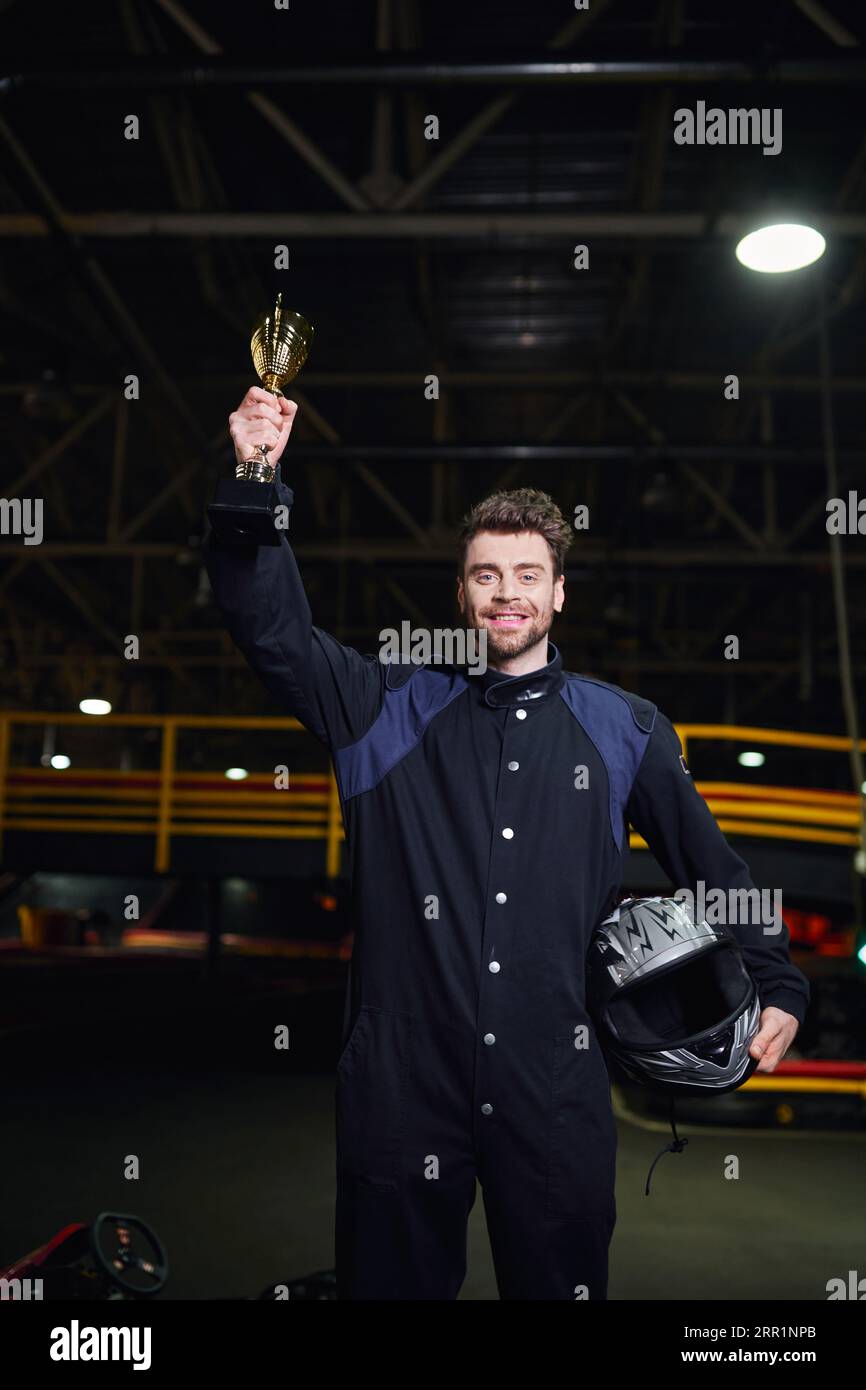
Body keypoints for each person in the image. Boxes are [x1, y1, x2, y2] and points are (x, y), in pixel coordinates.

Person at [203, 386, 809, 1301]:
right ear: (462, 592)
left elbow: (711, 866)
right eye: (487, 575)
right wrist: (255, 477)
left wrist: (781, 979)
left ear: (559, 593)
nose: (507, 593)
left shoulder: (626, 730)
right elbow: (271, 628)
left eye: (528, 575)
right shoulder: (381, 710)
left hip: (556, 1087)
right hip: (402, 1087)